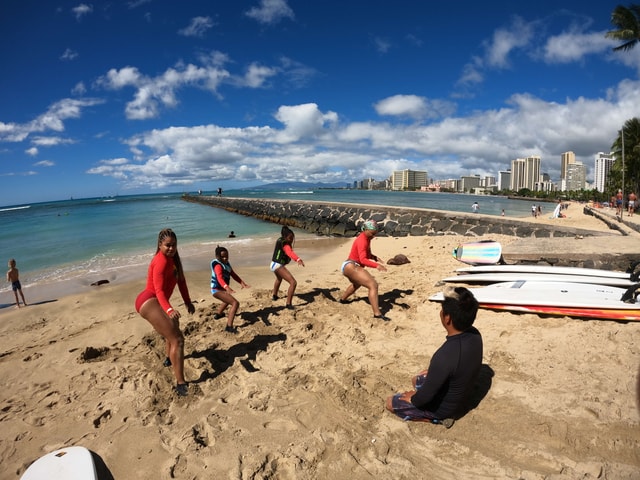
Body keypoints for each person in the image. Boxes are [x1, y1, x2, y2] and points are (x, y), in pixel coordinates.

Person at [385, 286, 482, 424]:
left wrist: (413, 399)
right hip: (461, 390)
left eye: (442, 310)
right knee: (416, 379)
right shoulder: (474, 333)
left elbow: (423, 398)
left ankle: (435, 418)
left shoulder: (444, 356)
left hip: (443, 409)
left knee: (391, 403)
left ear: (447, 318)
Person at [135, 229, 195, 396]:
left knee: (174, 325)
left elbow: (181, 282)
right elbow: (159, 291)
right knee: (178, 339)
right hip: (148, 301)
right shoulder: (160, 261)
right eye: (167, 245)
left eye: (174, 245)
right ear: (160, 244)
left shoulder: (174, 260)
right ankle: (180, 383)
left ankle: (169, 358)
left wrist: (188, 301)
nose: (171, 248)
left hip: (156, 301)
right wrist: (169, 309)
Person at [339, 220, 389, 320]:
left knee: (356, 284)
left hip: (348, 266)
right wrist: (377, 266)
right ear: (365, 230)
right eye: (372, 233)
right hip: (351, 265)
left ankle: (342, 300)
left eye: (375, 234)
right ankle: (377, 314)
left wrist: (374, 257)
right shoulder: (362, 240)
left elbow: (365, 254)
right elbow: (363, 260)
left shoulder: (366, 238)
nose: (373, 236)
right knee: (373, 285)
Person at [210, 245, 249, 333]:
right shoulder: (217, 265)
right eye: (223, 257)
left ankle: (218, 314)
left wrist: (242, 282)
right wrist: (227, 287)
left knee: (227, 300)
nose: (225, 258)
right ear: (217, 257)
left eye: (227, 256)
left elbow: (233, 274)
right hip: (216, 290)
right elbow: (219, 278)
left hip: (222, 289)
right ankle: (229, 326)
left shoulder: (226, 264)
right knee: (235, 303)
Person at [270, 226, 305, 309]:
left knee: (279, 279)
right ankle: (288, 304)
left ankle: (274, 296)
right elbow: (290, 252)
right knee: (293, 282)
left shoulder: (281, 240)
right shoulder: (285, 244)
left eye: (292, 238)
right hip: (278, 265)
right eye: (290, 238)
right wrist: (298, 259)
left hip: (273, 264)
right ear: (285, 237)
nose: (291, 240)